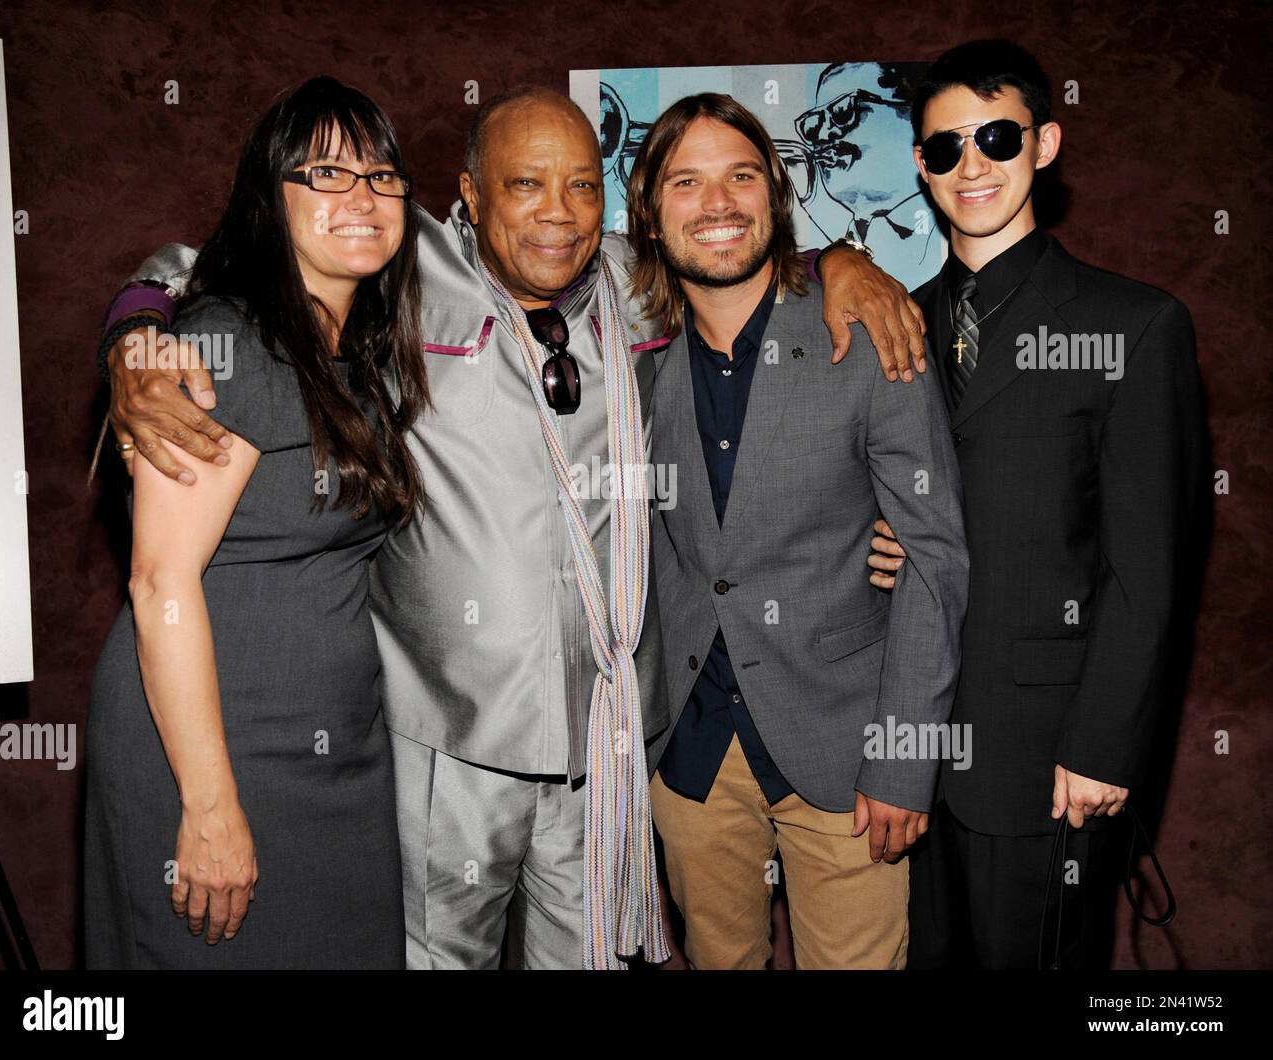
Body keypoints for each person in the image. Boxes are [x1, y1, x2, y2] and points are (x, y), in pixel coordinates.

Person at [95, 84, 927, 969]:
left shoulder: (636, 285)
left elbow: (741, 257)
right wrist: (136, 332)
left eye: (581, 186)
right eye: (526, 185)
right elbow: (208, 258)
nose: (557, 215)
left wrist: (843, 259)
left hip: (597, 748)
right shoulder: (404, 263)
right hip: (444, 743)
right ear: (470, 195)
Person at [867, 39, 1205, 969]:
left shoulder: (1135, 324)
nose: (971, 165)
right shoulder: (896, 323)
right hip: (911, 755)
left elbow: (1152, 570)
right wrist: (876, 543)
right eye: (944, 148)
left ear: (1045, 144)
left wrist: (1106, 746)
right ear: (920, 166)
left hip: (1049, 757)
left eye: (997, 137)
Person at [84, 76, 429, 968]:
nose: (362, 195)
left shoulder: (353, 357)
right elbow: (160, 579)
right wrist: (207, 805)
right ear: (268, 199)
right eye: (326, 172)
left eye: (382, 175)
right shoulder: (217, 350)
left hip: (332, 753)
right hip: (215, 751)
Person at [629, 93, 969, 969]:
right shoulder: (634, 368)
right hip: (694, 758)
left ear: (775, 195)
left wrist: (904, 759)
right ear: (652, 215)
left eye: (742, 176)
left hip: (847, 754)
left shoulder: (867, 333)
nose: (718, 203)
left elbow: (934, 557)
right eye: (687, 182)